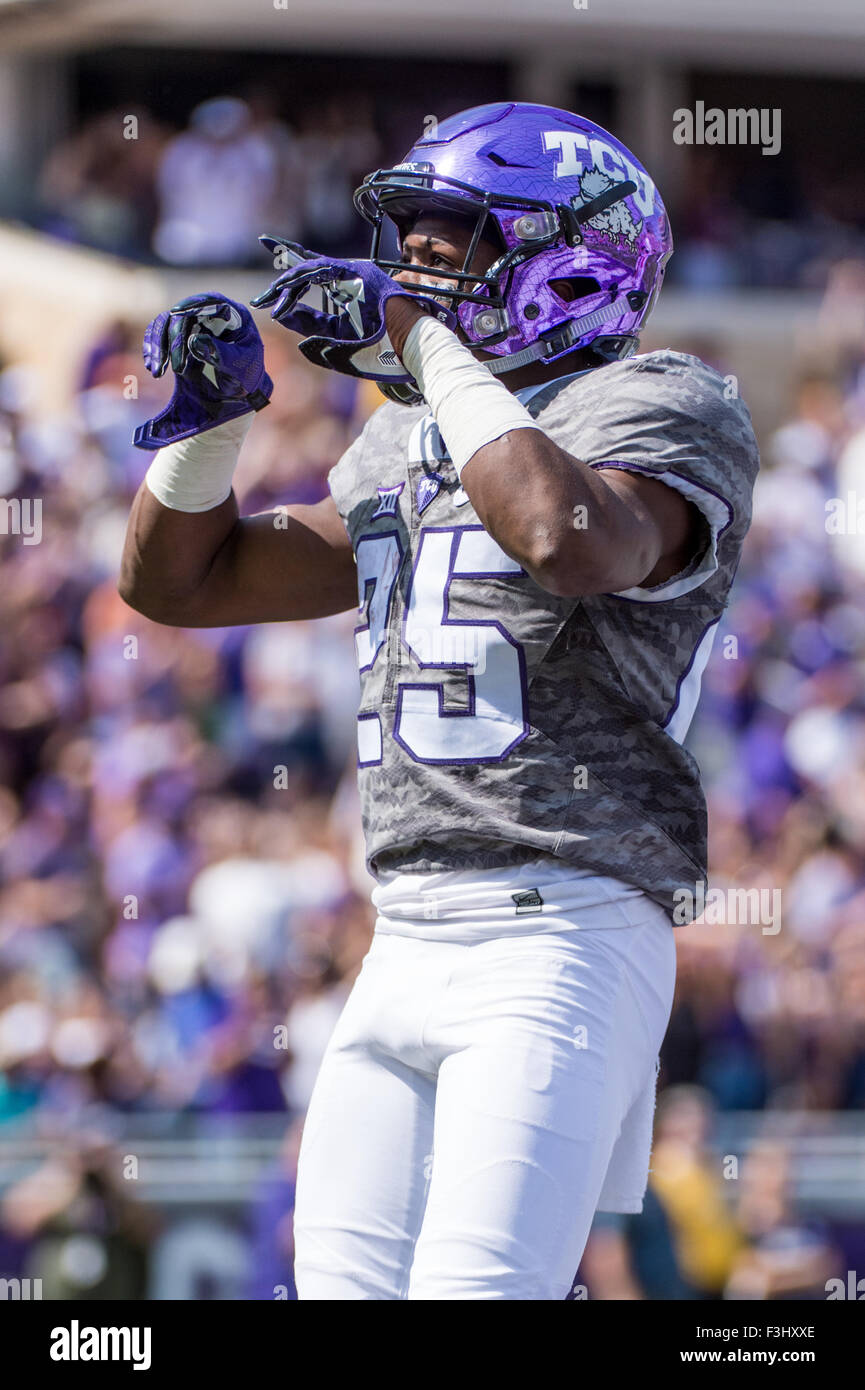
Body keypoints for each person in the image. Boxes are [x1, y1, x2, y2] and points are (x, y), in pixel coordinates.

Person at [119, 101, 760, 1300]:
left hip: (561, 929)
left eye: (448, 238)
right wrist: (207, 430)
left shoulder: (666, 401)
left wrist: (421, 344)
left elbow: (563, 535)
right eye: (406, 240)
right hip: (402, 932)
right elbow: (182, 585)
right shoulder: (410, 435)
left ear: (571, 261)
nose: (411, 266)